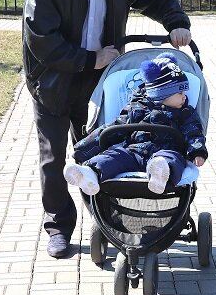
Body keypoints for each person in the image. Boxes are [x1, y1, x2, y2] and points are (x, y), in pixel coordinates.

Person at [22, 0, 192, 259]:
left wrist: (176, 20)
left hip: (99, 80)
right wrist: (88, 58)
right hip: (53, 81)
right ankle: (58, 226)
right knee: (54, 158)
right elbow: (41, 40)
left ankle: (107, 222)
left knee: (102, 148)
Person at [64, 53, 207, 195]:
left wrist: (197, 151)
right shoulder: (137, 107)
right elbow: (115, 127)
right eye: (180, 92)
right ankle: (91, 173)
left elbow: (193, 131)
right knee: (114, 155)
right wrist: (85, 148)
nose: (184, 96)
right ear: (162, 94)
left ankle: (159, 174)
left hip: (166, 150)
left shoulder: (185, 112)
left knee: (172, 159)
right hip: (133, 151)